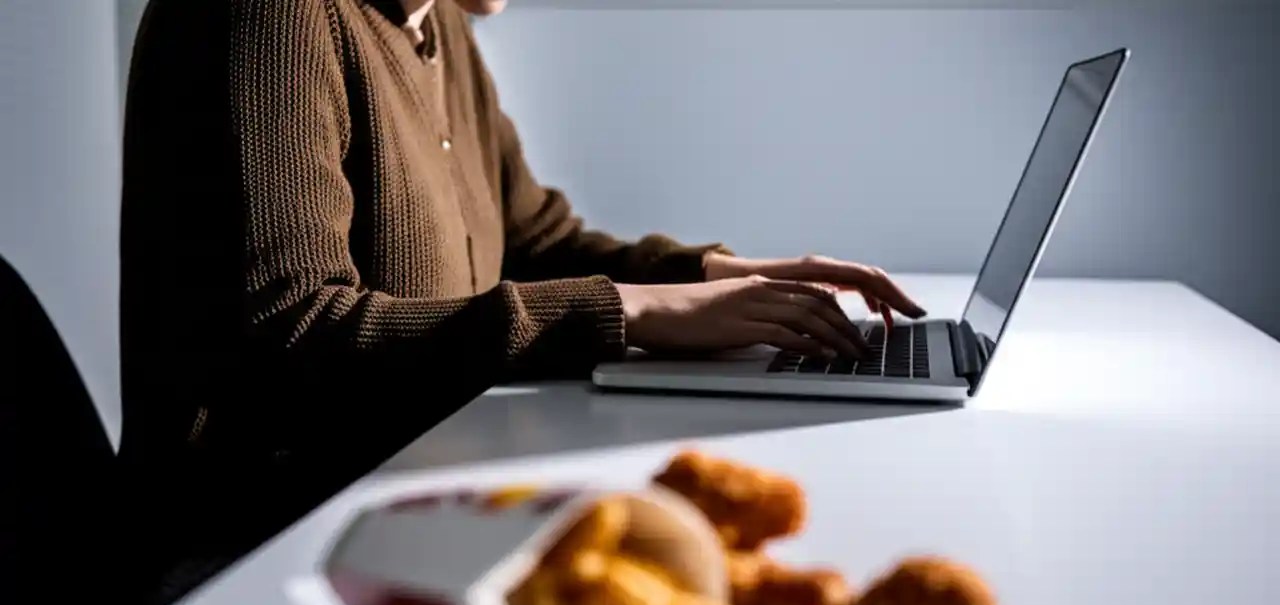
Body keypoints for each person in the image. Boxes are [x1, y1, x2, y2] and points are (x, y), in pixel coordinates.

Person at [119, 0, 926, 575]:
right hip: (257, 555)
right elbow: (293, 332)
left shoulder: (435, 24)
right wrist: (629, 312)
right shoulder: (265, 15)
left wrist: (719, 277)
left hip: (407, 500)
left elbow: (534, 242)